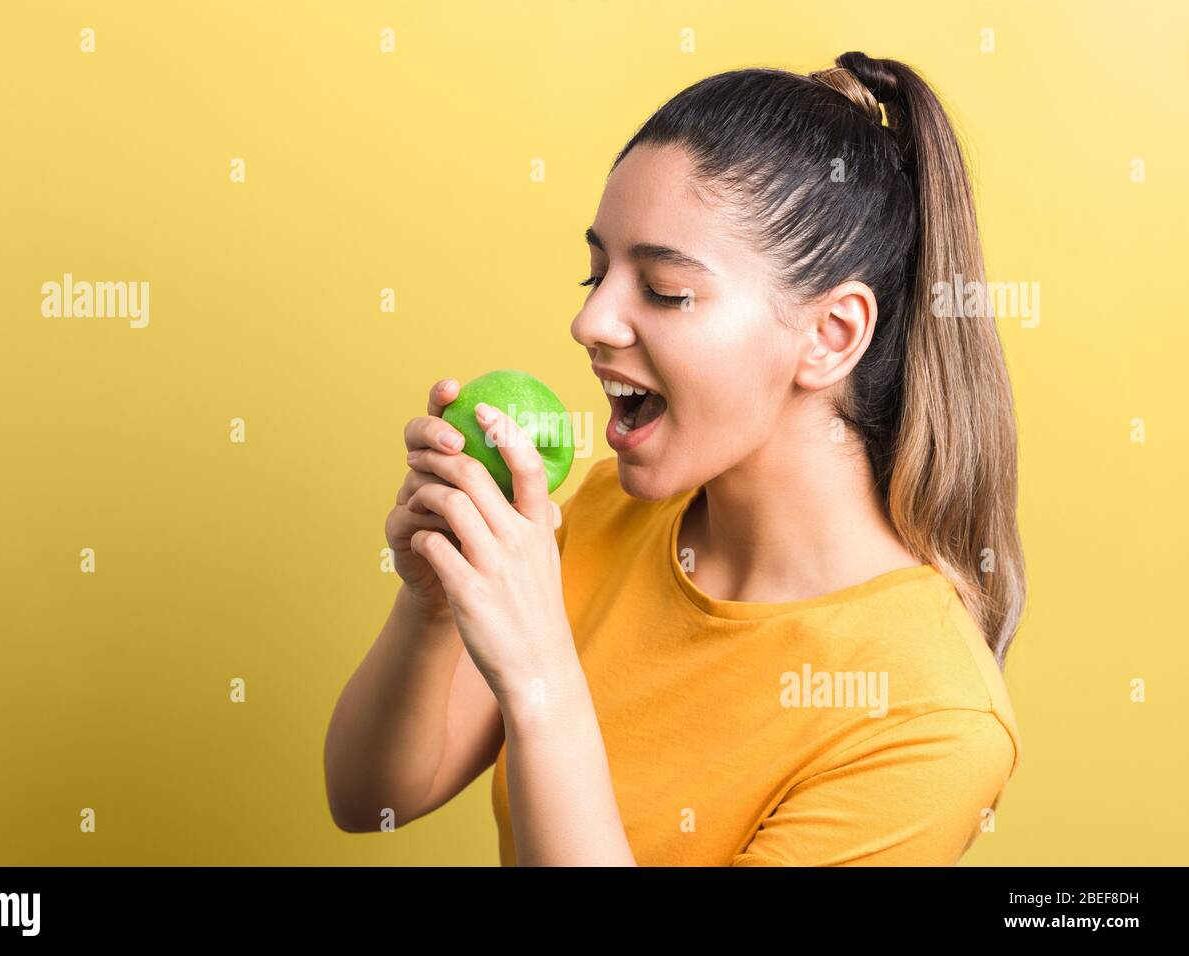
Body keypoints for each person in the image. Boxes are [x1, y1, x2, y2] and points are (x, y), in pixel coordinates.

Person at [325, 51, 1025, 866]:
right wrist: (433, 602)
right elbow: (371, 799)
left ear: (830, 336)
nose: (591, 324)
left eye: (663, 289)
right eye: (594, 275)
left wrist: (541, 672)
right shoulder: (600, 515)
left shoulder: (929, 720)